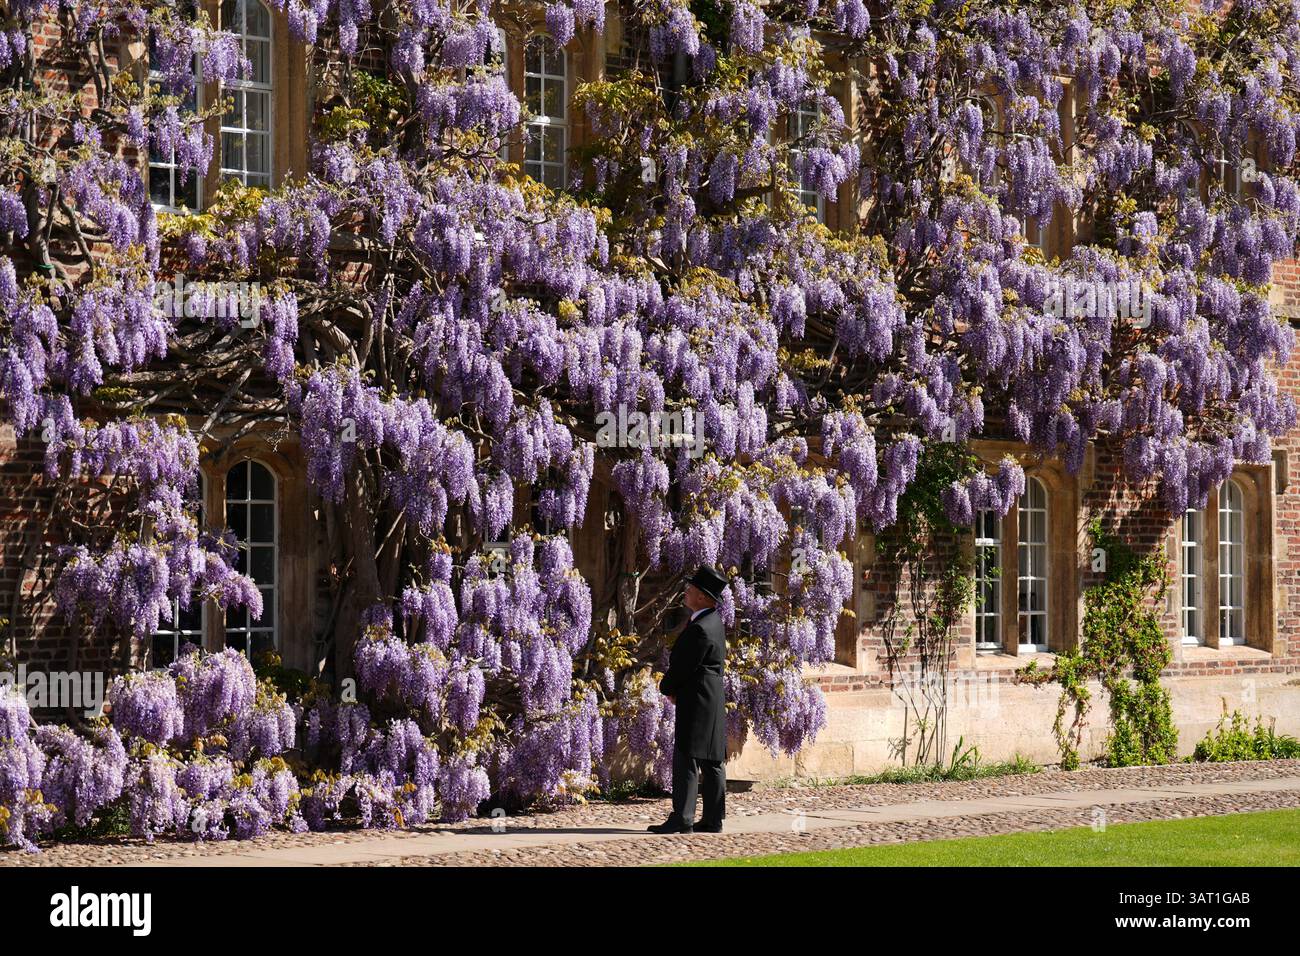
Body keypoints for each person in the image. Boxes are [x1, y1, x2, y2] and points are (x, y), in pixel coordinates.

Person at [648, 566, 728, 835]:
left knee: (687, 758)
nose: (687, 592)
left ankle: (682, 817)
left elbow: (684, 666)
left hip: (696, 699)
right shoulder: (714, 621)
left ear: (704, 598)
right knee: (713, 760)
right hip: (712, 698)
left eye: (692, 590)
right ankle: (713, 819)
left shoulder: (700, 629)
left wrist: (668, 687)